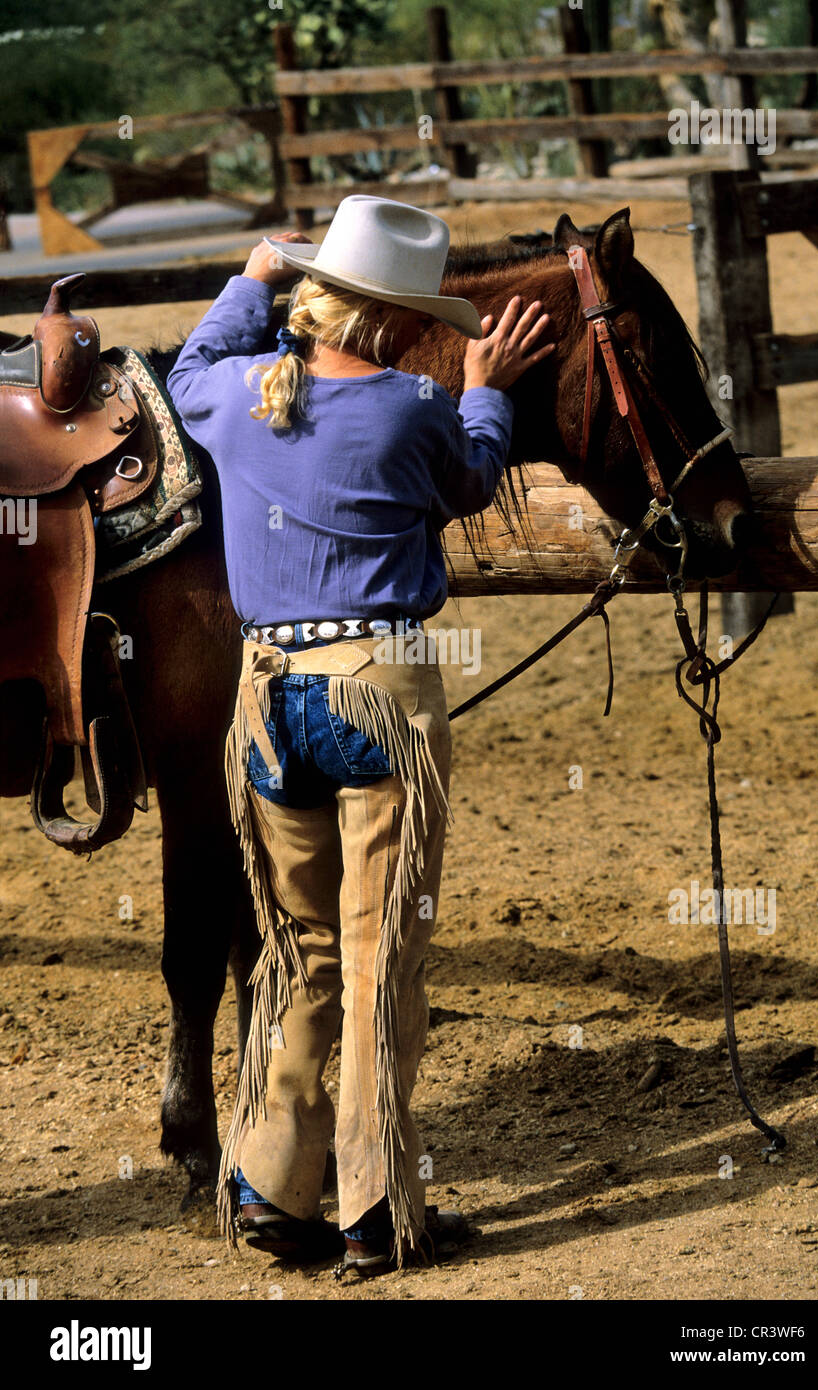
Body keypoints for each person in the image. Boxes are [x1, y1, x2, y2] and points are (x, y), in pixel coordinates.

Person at [166, 195, 554, 1277]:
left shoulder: (233, 397)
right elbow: (472, 479)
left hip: (269, 696)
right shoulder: (415, 407)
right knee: (386, 961)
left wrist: (253, 275)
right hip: (378, 692)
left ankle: (268, 1185)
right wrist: (487, 394)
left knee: (301, 954)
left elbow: (198, 351)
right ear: (391, 321)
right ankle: (374, 1209)